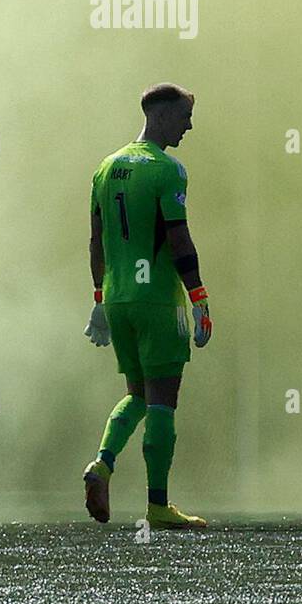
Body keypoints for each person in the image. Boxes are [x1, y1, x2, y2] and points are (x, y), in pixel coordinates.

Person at [82, 83, 212, 529]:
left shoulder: (106, 167)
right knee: (163, 399)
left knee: (137, 394)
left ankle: (102, 465)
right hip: (158, 300)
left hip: (118, 299)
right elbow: (179, 239)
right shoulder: (168, 170)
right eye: (183, 116)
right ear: (159, 115)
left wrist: (99, 299)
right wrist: (199, 298)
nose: (189, 126)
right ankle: (158, 505)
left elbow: (96, 240)